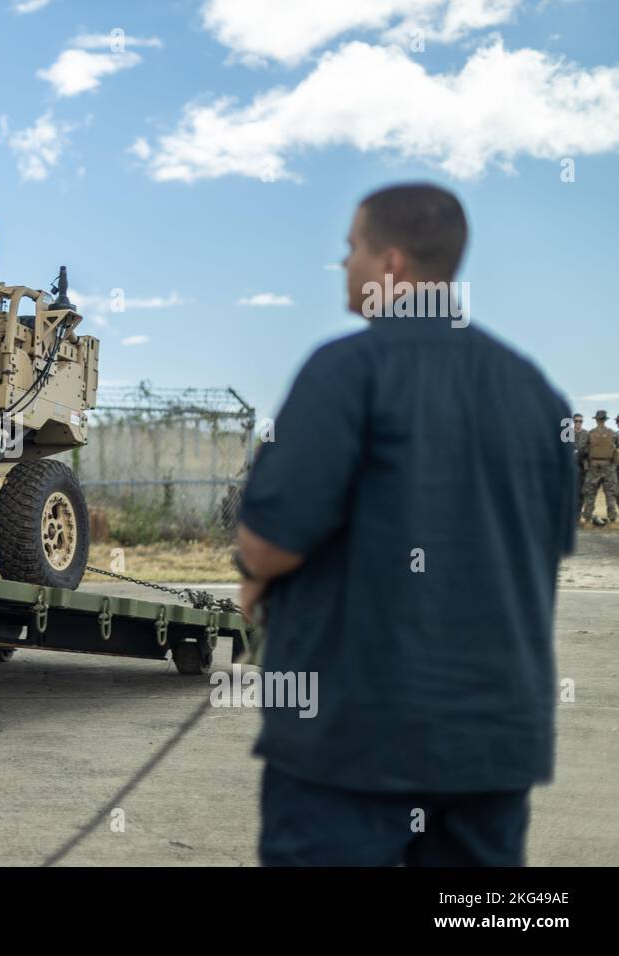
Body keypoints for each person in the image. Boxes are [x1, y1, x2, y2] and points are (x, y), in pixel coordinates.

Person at [235, 183, 576, 866]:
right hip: (493, 744)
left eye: (351, 249)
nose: (344, 265)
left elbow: (269, 544)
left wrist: (252, 577)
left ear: (390, 263)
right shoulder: (537, 392)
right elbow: (549, 545)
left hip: (351, 738)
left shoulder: (345, 370)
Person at [579, 410, 619, 522]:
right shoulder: (613, 434)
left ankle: (587, 518)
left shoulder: (590, 433)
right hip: (609, 466)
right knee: (610, 495)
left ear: (596, 420)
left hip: (593, 466)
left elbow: (583, 450)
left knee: (590, 494)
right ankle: (612, 518)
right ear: (605, 420)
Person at [572, 413, 589, 507]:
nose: (578, 423)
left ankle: (578, 512)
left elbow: (590, 449)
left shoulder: (586, 434)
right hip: (570, 466)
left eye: (580, 421)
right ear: (573, 421)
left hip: (582, 466)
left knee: (581, 491)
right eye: (576, 421)